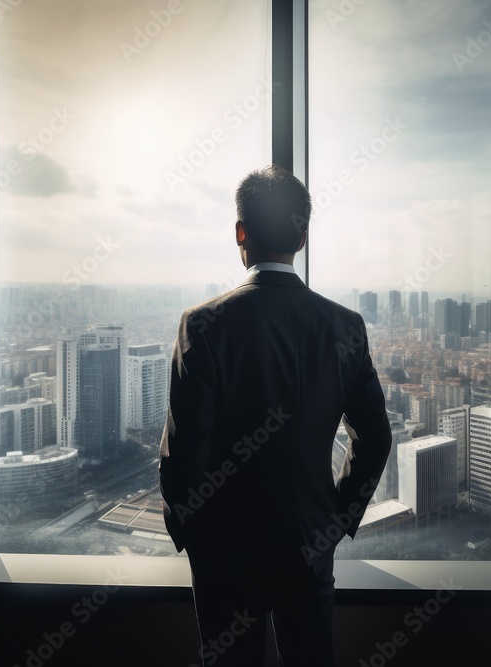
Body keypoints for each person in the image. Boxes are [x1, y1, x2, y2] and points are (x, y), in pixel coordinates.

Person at [159, 165, 393, 666]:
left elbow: (181, 454)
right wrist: (335, 520)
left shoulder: (202, 325)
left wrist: (193, 534)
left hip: (223, 551)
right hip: (308, 544)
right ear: (303, 236)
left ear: (240, 233)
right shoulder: (343, 325)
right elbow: (374, 437)